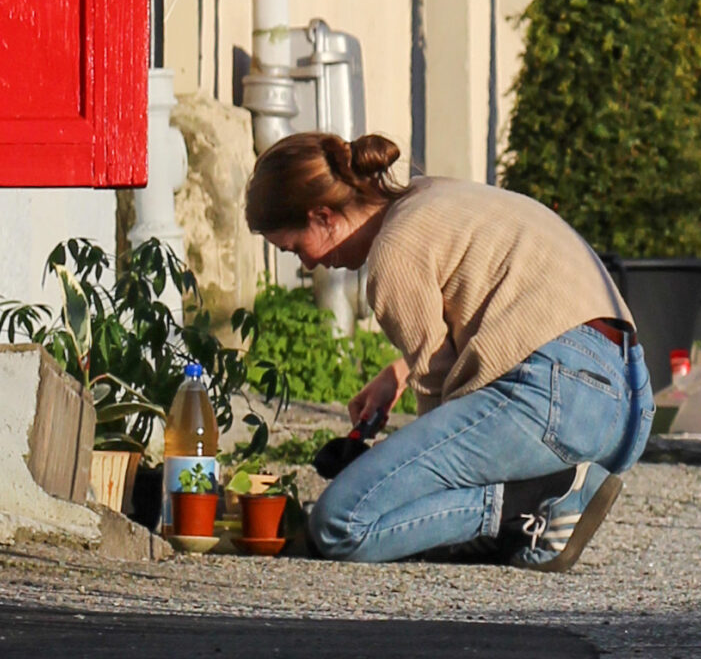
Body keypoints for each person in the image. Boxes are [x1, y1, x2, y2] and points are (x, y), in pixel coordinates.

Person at [244, 132, 652, 569]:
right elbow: (507, 308)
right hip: (625, 409)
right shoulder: (430, 194)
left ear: (323, 216)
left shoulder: (392, 251)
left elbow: (439, 406)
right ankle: (548, 492)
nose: (306, 265)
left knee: (339, 524)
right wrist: (400, 371)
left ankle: (529, 508)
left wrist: (389, 484)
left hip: (556, 402)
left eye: (294, 248)